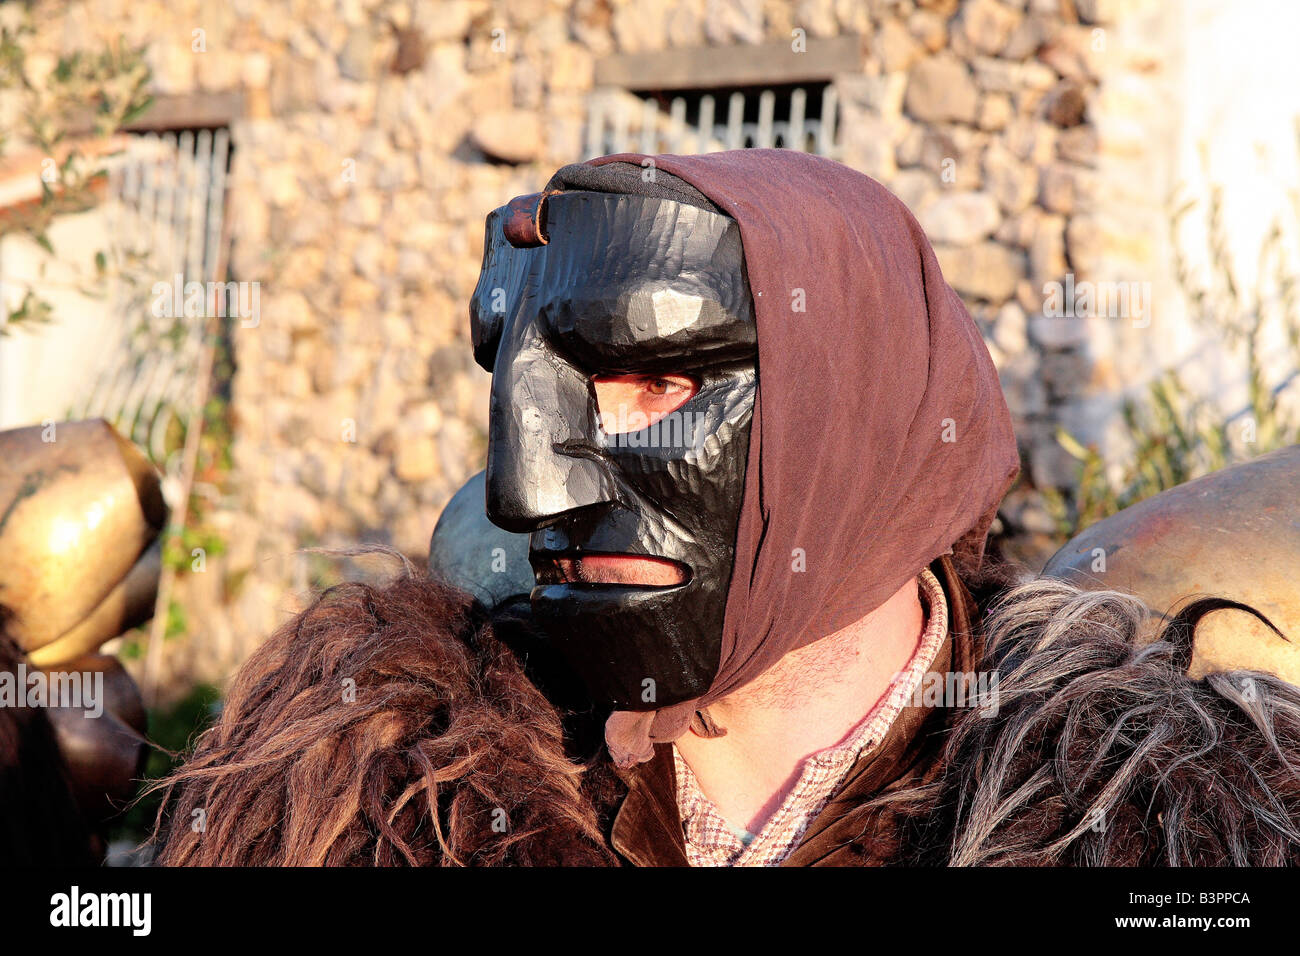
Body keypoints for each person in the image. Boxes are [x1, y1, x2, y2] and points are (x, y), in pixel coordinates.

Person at [153, 150, 1300, 866]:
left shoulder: (1149, 816)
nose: (531, 488)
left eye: (652, 379)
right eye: (522, 391)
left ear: (851, 405)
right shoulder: (378, 798)